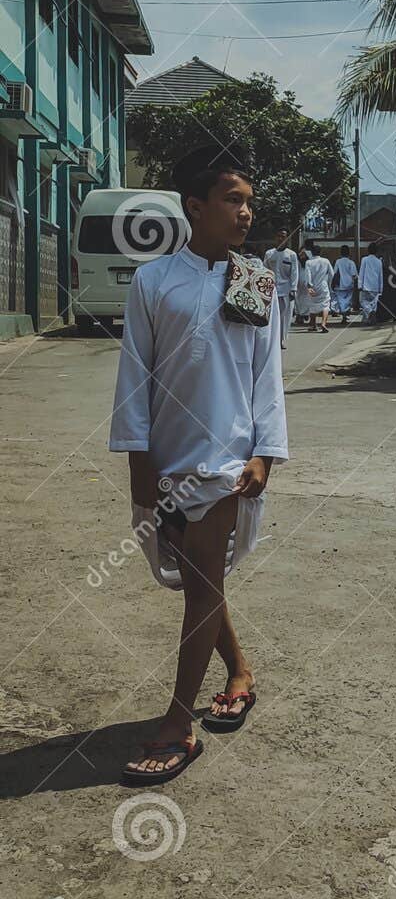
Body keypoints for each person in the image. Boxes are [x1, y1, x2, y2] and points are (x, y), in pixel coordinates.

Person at [108, 143, 288, 784]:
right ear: (195, 207)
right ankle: (239, 672)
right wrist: (138, 456)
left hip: (228, 460)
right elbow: (136, 375)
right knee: (202, 585)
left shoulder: (258, 282)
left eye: (249, 203)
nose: (245, 213)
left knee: (202, 588)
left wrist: (265, 452)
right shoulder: (155, 282)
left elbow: (269, 377)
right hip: (167, 458)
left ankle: (179, 723)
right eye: (232, 201)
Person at [264, 226, 300, 346]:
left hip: (287, 290)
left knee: (286, 317)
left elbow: (294, 273)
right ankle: (274, 340)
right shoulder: (269, 254)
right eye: (278, 236)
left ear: (287, 238)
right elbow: (265, 271)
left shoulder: (291, 255)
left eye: (283, 237)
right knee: (273, 316)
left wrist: (293, 289)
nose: (280, 239)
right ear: (275, 238)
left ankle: (282, 339)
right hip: (272, 290)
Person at [305, 243, 333, 333]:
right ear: (320, 252)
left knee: (312, 305)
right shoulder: (326, 261)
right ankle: (323, 323)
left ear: (311, 252)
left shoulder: (308, 262)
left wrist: (309, 286)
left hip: (313, 287)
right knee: (325, 305)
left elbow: (307, 275)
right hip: (323, 286)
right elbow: (332, 274)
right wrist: (329, 284)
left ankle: (313, 324)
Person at [358, 241, 384, 323]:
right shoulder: (379, 261)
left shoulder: (364, 259)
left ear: (368, 250)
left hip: (366, 285)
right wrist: (381, 288)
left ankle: (370, 312)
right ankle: (369, 317)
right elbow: (381, 276)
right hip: (375, 286)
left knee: (363, 301)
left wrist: (359, 285)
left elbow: (361, 273)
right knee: (373, 302)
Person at [332, 245, 358, 324]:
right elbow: (354, 274)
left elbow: (334, 272)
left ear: (341, 252)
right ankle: (346, 314)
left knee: (341, 300)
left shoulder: (338, 261)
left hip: (340, 285)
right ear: (348, 253)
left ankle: (343, 314)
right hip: (349, 284)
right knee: (348, 300)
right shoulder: (351, 262)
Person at [293, 245, 312, 327]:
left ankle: (305, 314)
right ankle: (299, 315)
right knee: (298, 299)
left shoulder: (309, 261)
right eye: (301, 253)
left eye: (304, 253)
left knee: (307, 298)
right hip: (298, 281)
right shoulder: (297, 261)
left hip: (306, 281)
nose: (302, 255)